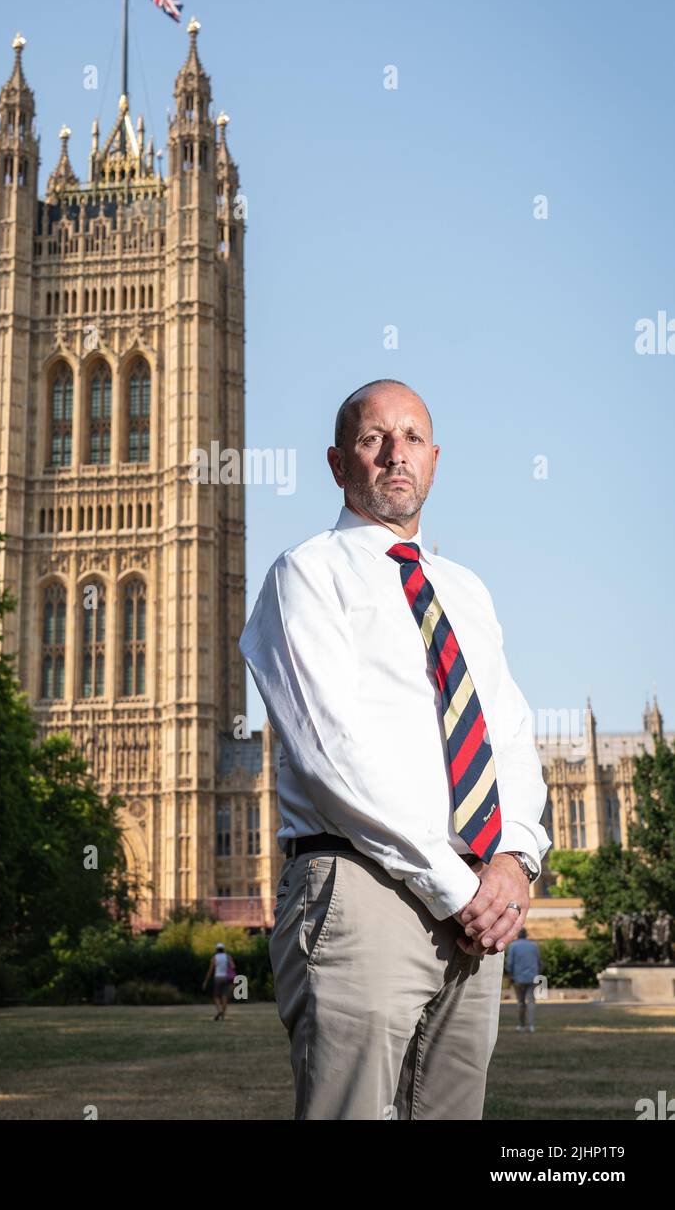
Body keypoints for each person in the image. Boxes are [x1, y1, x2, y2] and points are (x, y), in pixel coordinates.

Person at [239, 378, 551, 1120]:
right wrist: (457, 885)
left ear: (435, 461)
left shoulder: (465, 589)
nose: (394, 454)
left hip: (476, 904)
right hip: (364, 887)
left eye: (411, 438)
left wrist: (514, 859)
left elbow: (509, 735)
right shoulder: (306, 574)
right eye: (373, 438)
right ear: (338, 462)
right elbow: (332, 755)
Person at [505, 927, 542, 1032]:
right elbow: (539, 962)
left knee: (521, 1002)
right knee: (531, 1002)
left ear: (518, 935)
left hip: (518, 979)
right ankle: (531, 1026)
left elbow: (509, 964)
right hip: (532, 978)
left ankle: (521, 1025)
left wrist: (510, 975)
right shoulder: (534, 946)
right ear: (526, 935)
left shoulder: (513, 946)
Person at [202, 942, 235, 1020]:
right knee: (224, 996)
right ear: (223, 949)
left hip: (217, 978)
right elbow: (233, 966)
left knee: (216, 996)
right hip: (226, 977)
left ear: (216, 949)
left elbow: (210, 970)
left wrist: (205, 981)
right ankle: (223, 1015)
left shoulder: (214, 957)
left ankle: (219, 1010)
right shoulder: (227, 956)